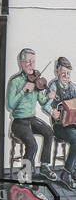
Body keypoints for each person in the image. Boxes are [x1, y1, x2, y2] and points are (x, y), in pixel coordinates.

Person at [6, 48, 56, 180]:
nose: (31, 65)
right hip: (19, 122)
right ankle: (25, 173)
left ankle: (45, 166)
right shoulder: (15, 81)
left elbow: (42, 100)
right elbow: (10, 105)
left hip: (32, 119)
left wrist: (50, 97)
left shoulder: (36, 79)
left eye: (33, 61)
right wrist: (23, 90)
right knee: (33, 144)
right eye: (28, 61)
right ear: (21, 62)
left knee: (49, 132)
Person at [42, 56, 76, 188]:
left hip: (73, 124)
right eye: (63, 73)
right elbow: (45, 105)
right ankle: (66, 173)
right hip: (59, 126)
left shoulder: (73, 87)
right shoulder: (53, 85)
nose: (66, 76)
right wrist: (52, 112)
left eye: (68, 74)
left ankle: (73, 169)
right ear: (57, 72)